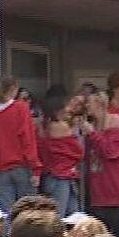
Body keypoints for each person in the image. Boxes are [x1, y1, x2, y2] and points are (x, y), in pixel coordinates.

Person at [0, 74, 42, 211]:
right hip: (22, 167)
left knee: (5, 213)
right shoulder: (21, 108)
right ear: (14, 89)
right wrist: (35, 168)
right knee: (28, 213)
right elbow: (27, 139)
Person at [86, 91, 119, 235]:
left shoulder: (114, 122)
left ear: (98, 104)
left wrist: (92, 134)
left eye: (88, 102)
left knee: (117, 236)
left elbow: (111, 151)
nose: (86, 106)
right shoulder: (93, 124)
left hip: (115, 188)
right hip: (99, 190)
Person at [39, 89, 87, 217]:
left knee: (74, 214)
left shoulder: (44, 125)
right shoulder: (61, 126)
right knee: (59, 217)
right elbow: (78, 151)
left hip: (53, 175)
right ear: (58, 109)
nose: (68, 109)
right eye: (66, 106)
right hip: (61, 176)